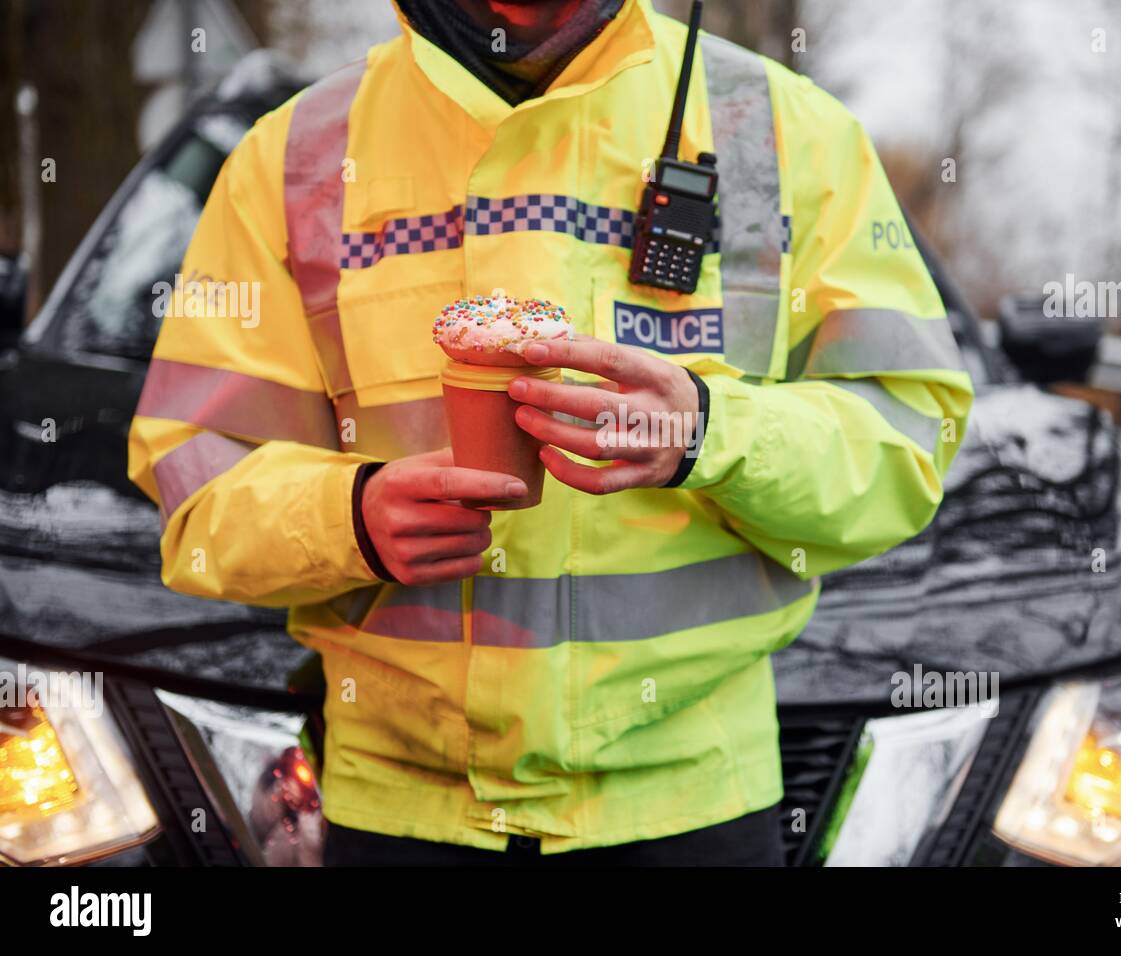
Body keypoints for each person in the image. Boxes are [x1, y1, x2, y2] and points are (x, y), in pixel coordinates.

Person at [128, 0, 974, 866]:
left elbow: (903, 440)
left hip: (695, 809)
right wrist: (351, 515)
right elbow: (197, 490)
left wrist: (713, 432)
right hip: (398, 816)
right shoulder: (292, 157)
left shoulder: (794, 136)